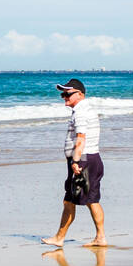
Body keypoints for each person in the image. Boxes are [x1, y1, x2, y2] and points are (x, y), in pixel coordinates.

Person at [42, 78, 106, 247]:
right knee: (92, 200)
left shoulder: (80, 113)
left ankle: (59, 238)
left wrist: (76, 162)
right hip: (92, 158)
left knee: (70, 200)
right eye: (63, 94)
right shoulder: (86, 110)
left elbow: (81, 139)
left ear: (79, 94)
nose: (64, 97)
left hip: (83, 159)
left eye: (67, 94)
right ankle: (100, 237)